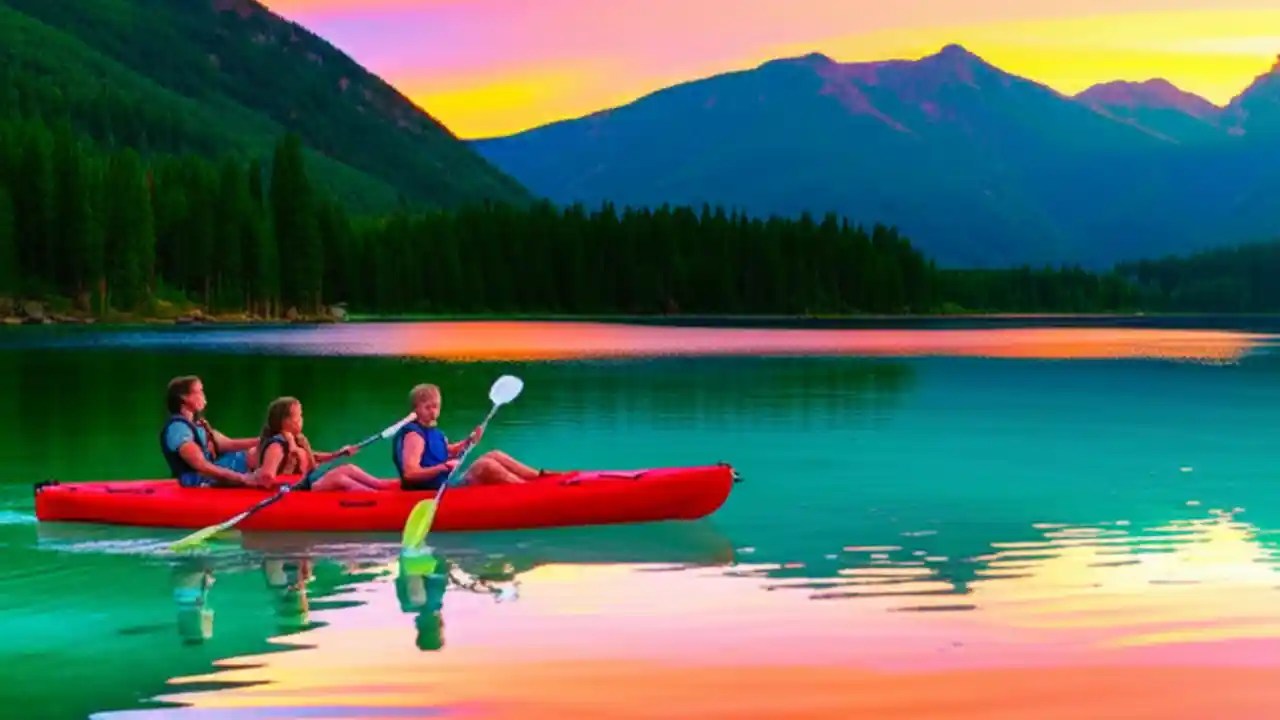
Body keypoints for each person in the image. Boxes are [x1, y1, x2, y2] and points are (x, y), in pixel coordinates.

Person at [392, 383, 543, 490]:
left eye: (436, 406)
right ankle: (528, 491)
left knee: (494, 454)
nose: (433, 412)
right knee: (485, 465)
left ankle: (539, 477)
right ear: (416, 409)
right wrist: (443, 467)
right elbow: (410, 474)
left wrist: (468, 441)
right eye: (427, 408)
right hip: (434, 489)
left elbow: (447, 451)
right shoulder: (414, 436)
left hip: (444, 481)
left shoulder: (434, 431)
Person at [256, 396, 398, 491]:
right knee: (339, 478)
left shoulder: (297, 439)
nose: (302, 419)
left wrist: (339, 453)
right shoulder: (276, 447)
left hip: (309, 480)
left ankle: (382, 485)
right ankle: (375, 497)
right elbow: (266, 477)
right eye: (298, 416)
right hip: (300, 488)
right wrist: (292, 482)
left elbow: (313, 456)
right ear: (286, 421)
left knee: (349, 468)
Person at [160, 375, 261, 488]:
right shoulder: (178, 427)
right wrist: (241, 478)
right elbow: (200, 465)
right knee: (251, 455)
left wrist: (264, 440)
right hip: (194, 482)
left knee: (258, 450)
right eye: (199, 391)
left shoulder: (198, 424)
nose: (203, 396)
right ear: (184, 397)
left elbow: (229, 444)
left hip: (205, 477)